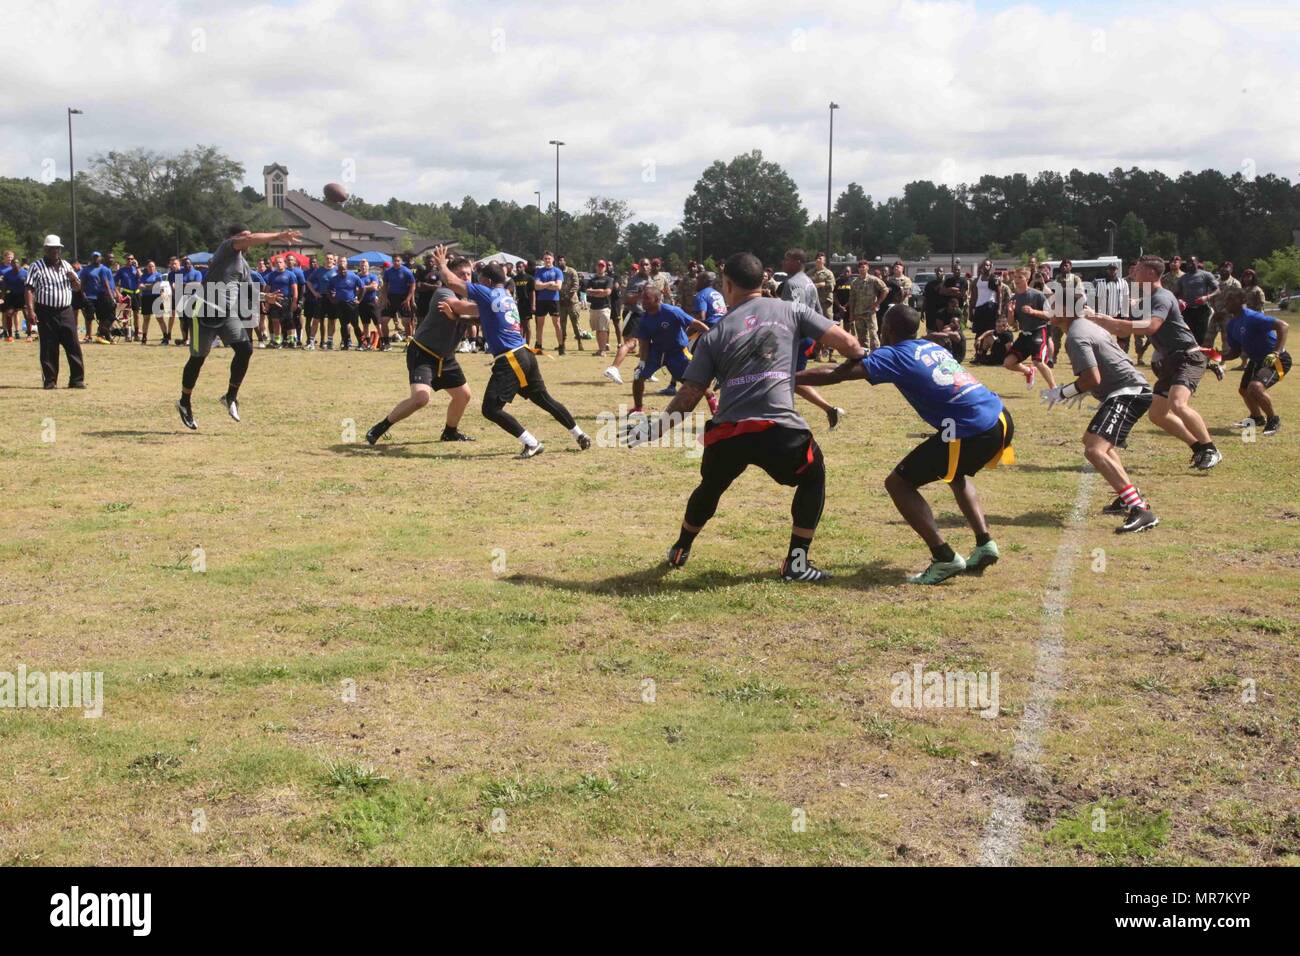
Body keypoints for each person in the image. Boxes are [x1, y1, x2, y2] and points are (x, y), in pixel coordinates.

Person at [627, 252, 865, 582]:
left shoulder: (715, 334)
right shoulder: (792, 310)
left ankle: (682, 546)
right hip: (779, 428)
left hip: (729, 431)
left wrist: (656, 429)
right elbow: (849, 344)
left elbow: (689, 395)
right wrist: (863, 357)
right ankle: (796, 563)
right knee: (813, 476)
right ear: (763, 280)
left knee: (710, 488)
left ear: (727, 285)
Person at [797, 304, 1013, 584]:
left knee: (898, 484)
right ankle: (985, 543)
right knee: (955, 473)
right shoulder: (928, 346)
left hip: (972, 429)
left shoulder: (894, 355)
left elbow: (836, 373)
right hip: (999, 417)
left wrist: (787, 378)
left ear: (887, 329)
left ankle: (944, 557)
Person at [430, 245, 590, 458]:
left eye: (479, 278)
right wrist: (457, 316)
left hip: (510, 359)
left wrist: (442, 264)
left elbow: (452, 282)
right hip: (525, 353)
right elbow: (484, 319)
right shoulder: (505, 295)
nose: (476, 281)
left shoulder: (486, 293)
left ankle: (531, 443)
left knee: (490, 409)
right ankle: (579, 433)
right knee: (544, 399)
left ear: (487, 281)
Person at [1083, 254, 1222, 470]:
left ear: (1150, 273)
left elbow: (1150, 327)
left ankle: (1211, 449)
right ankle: (1198, 448)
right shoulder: (1146, 300)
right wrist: (1095, 317)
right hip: (1170, 360)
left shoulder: (1162, 297)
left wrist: (1105, 320)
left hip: (1188, 356)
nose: (1133, 273)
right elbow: (1122, 329)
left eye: (1137, 270)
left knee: (1178, 404)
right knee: (1157, 415)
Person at [1041, 308, 1159, 533]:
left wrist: (1063, 393)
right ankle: (1129, 497)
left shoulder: (1076, 335)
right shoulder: (1083, 327)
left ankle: (1140, 509)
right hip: (1126, 389)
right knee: (1091, 441)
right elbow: (1108, 363)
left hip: (1128, 392)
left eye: (1055, 304)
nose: (1049, 309)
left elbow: (1092, 378)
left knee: (1095, 450)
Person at [175, 224, 301, 430]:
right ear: (234, 238)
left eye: (249, 235)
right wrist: (279, 235)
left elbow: (246, 289)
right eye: (245, 236)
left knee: (245, 350)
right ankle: (184, 402)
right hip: (203, 311)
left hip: (227, 314)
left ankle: (230, 396)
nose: (249, 239)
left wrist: (265, 297)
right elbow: (249, 240)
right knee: (198, 358)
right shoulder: (227, 249)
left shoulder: (243, 264)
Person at [366, 254, 476, 446]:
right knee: (420, 398)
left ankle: (450, 432)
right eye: (461, 274)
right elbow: (461, 308)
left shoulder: (469, 297)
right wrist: (492, 305)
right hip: (423, 352)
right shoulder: (444, 293)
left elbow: (471, 317)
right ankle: (380, 427)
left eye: (468, 274)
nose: (466, 278)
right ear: (450, 276)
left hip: (445, 357)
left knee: (463, 395)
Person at [778, 248, 847, 429]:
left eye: (787, 259)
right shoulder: (809, 282)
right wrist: (820, 337)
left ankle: (786, 420)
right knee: (793, 379)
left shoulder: (792, 284)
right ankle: (830, 410)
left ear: (797, 262)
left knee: (784, 379)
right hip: (806, 337)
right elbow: (818, 312)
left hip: (795, 339)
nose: (783, 262)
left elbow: (789, 315)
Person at [1221, 287, 1289, 436]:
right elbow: (1235, 352)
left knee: (1256, 388)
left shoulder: (1252, 317)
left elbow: (1283, 326)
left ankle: (1273, 419)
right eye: (1226, 299)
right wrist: (1219, 356)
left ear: (1242, 300)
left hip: (1278, 360)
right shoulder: (1232, 325)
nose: (1226, 302)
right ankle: (1257, 418)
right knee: (1244, 390)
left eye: (1231, 299)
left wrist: (1276, 352)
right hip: (1257, 360)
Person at [631, 285, 710, 411]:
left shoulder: (672, 311)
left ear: (657, 299)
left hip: (677, 353)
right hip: (657, 352)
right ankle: (638, 408)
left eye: (647, 298)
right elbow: (644, 342)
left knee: (693, 382)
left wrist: (711, 335)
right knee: (638, 376)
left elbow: (695, 323)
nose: (643, 301)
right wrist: (642, 362)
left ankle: (711, 399)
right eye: (642, 298)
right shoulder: (645, 318)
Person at [24, 235, 86, 388]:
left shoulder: (66, 265)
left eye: (57, 248)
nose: (55, 251)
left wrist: (73, 279)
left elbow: (77, 288)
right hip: (46, 312)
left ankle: (77, 380)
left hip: (66, 311)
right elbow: (29, 289)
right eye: (52, 248)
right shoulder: (36, 266)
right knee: (49, 347)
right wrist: (30, 310)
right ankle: (50, 381)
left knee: (73, 345)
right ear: (45, 249)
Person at [1003, 267, 1056, 389]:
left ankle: (1054, 389)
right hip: (1024, 334)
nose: (1016, 280)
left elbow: (1050, 315)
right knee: (1007, 363)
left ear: (1027, 278)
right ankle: (1028, 371)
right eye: (1015, 277)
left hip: (1038, 331)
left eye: (1020, 277)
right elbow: (1011, 323)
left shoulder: (1037, 295)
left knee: (1038, 362)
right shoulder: (1013, 299)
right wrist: (1010, 312)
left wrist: (1033, 312)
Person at [1175, 255, 1218, 346]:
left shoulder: (1206, 275)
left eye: (1192, 262)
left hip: (1202, 310)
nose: (1190, 264)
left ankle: (1201, 353)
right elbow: (1177, 293)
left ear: (1197, 263)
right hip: (1187, 311)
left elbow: (1217, 290)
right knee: (1189, 335)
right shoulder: (1183, 278)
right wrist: (1179, 300)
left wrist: (1207, 297)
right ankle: (1191, 353)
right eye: (1188, 262)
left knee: (1202, 336)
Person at [849, 260, 888, 351]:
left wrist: (877, 303)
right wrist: (851, 314)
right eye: (860, 267)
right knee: (861, 337)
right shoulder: (854, 282)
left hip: (870, 312)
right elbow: (852, 299)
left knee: (873, 334)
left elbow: (885, 290)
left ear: (867, 268)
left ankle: (876, 354)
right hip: (858, 313)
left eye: (863, 267)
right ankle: (865, 355)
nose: (861, 269)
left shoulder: (873, 280)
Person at [79, 251, 117, 345]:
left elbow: (108, 283)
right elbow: (82, 284)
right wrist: (83, 295)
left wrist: (113, 295)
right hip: (90, 296)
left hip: (101, 296)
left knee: (103, 317)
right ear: (91, 258)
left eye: (97, 257)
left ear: (100, 258)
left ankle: (102, 334)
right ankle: (88, 336)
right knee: (89, 317)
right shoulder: (86, 269)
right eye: (94, 257)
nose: (96, 259)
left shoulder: (104, 269)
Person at [263, 256, 300, 349]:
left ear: (284, 263)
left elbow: (295, 289)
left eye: (280, 262)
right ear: (274, 264)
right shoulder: (271, 275)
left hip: (286, 300)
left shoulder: (290, 274)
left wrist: (294, 302)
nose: (279, 264)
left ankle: (291, 341)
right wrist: (266, 302)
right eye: (277, 262)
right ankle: (278, 341)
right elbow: (267, 289)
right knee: (275, 321)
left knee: (289, 321)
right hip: (274, 301)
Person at [381, 255, 415, 351]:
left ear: (401, 261)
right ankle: (387, 344)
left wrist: (408, 299)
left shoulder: (407, 271)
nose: (396, 262)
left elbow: (413, 286)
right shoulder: (388, 272)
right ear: (392, 262)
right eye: (394, 261)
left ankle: (409, 344)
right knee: (384, 321)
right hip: (391, 298)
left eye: (398, 261)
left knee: (406, 322)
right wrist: (385, 297)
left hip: (403, 298)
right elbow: (385, 285)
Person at [1206, 261, 1241, 353]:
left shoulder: (1235, 283)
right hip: (1215, 314)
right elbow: (1210, 297)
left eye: (1227, 267)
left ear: (1231, 270)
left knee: (1226, 341)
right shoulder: (1215, 283)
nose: (1224, 269)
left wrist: (1223, 312)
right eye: (1222, 267)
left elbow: (1236, 301)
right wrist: (1214, 310)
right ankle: (1206, 358)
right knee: (1208, 339)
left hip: (1228, 316)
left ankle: (1225, 358)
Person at [532, 251, 563, 351]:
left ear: (553, 259)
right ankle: (539, 345)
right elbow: (536, 286)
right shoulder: (539, 271)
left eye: (549, 258)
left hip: (554, 300)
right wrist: (550, 283)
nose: (547, 260)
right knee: (540, 324)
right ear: (543, 260)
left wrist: (543, 285)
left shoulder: (557, 271)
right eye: (545, 258)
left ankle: (561, 346)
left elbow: (558, 287)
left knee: (557, 323)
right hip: (541, 300)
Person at [585, 259, 615, 356]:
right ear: (596, 267)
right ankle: (600, 349)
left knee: (603, 329)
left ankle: (603, 350)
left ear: (605, 268)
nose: (600, 267)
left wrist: (594, 292)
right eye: (599, 266)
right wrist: (600, 291)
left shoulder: (609, 279)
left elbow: (607, 292)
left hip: (604, 308)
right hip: (593, 308)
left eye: (602, 266)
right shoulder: (592, 280)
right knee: (597, 329)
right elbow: (588, 292)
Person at [557, 254, 583, 354]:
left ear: (565, 261)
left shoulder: (572, 271)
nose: (560, 262)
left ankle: (579, 342)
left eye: (562, 260)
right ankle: (562, 344)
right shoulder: (557, 272)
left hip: (572, 303)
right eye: (559, 261)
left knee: (575, 323)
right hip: (561, 303)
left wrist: (568, 296)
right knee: (562, 324)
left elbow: (576, 285)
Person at [115, 254, 142, 342]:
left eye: (132, 259)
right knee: (125, 315)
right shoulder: (121, 270)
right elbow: (114, 283)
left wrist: (137, 267)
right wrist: (118, 293)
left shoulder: (136, 269)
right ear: (125, 260)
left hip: (136, 293)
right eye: (128, 259)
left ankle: (136, 334)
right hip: (126, 293)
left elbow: (141, 278)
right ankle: (127, 335)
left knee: (136, 315)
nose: (130, 260)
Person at [356, 260, 381, 349]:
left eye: (365, 266)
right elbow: (356, 289)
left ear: (368, 266)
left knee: (378, 323)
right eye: (362, 265)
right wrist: (368, 287)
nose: (363, 267)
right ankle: (368, 343)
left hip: (372, 302)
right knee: (365, 324)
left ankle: (383, 342)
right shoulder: (357, 277)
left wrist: (362, 288)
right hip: (362, 303)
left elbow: (374, 287)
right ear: (359, 266)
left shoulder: (373, 276)